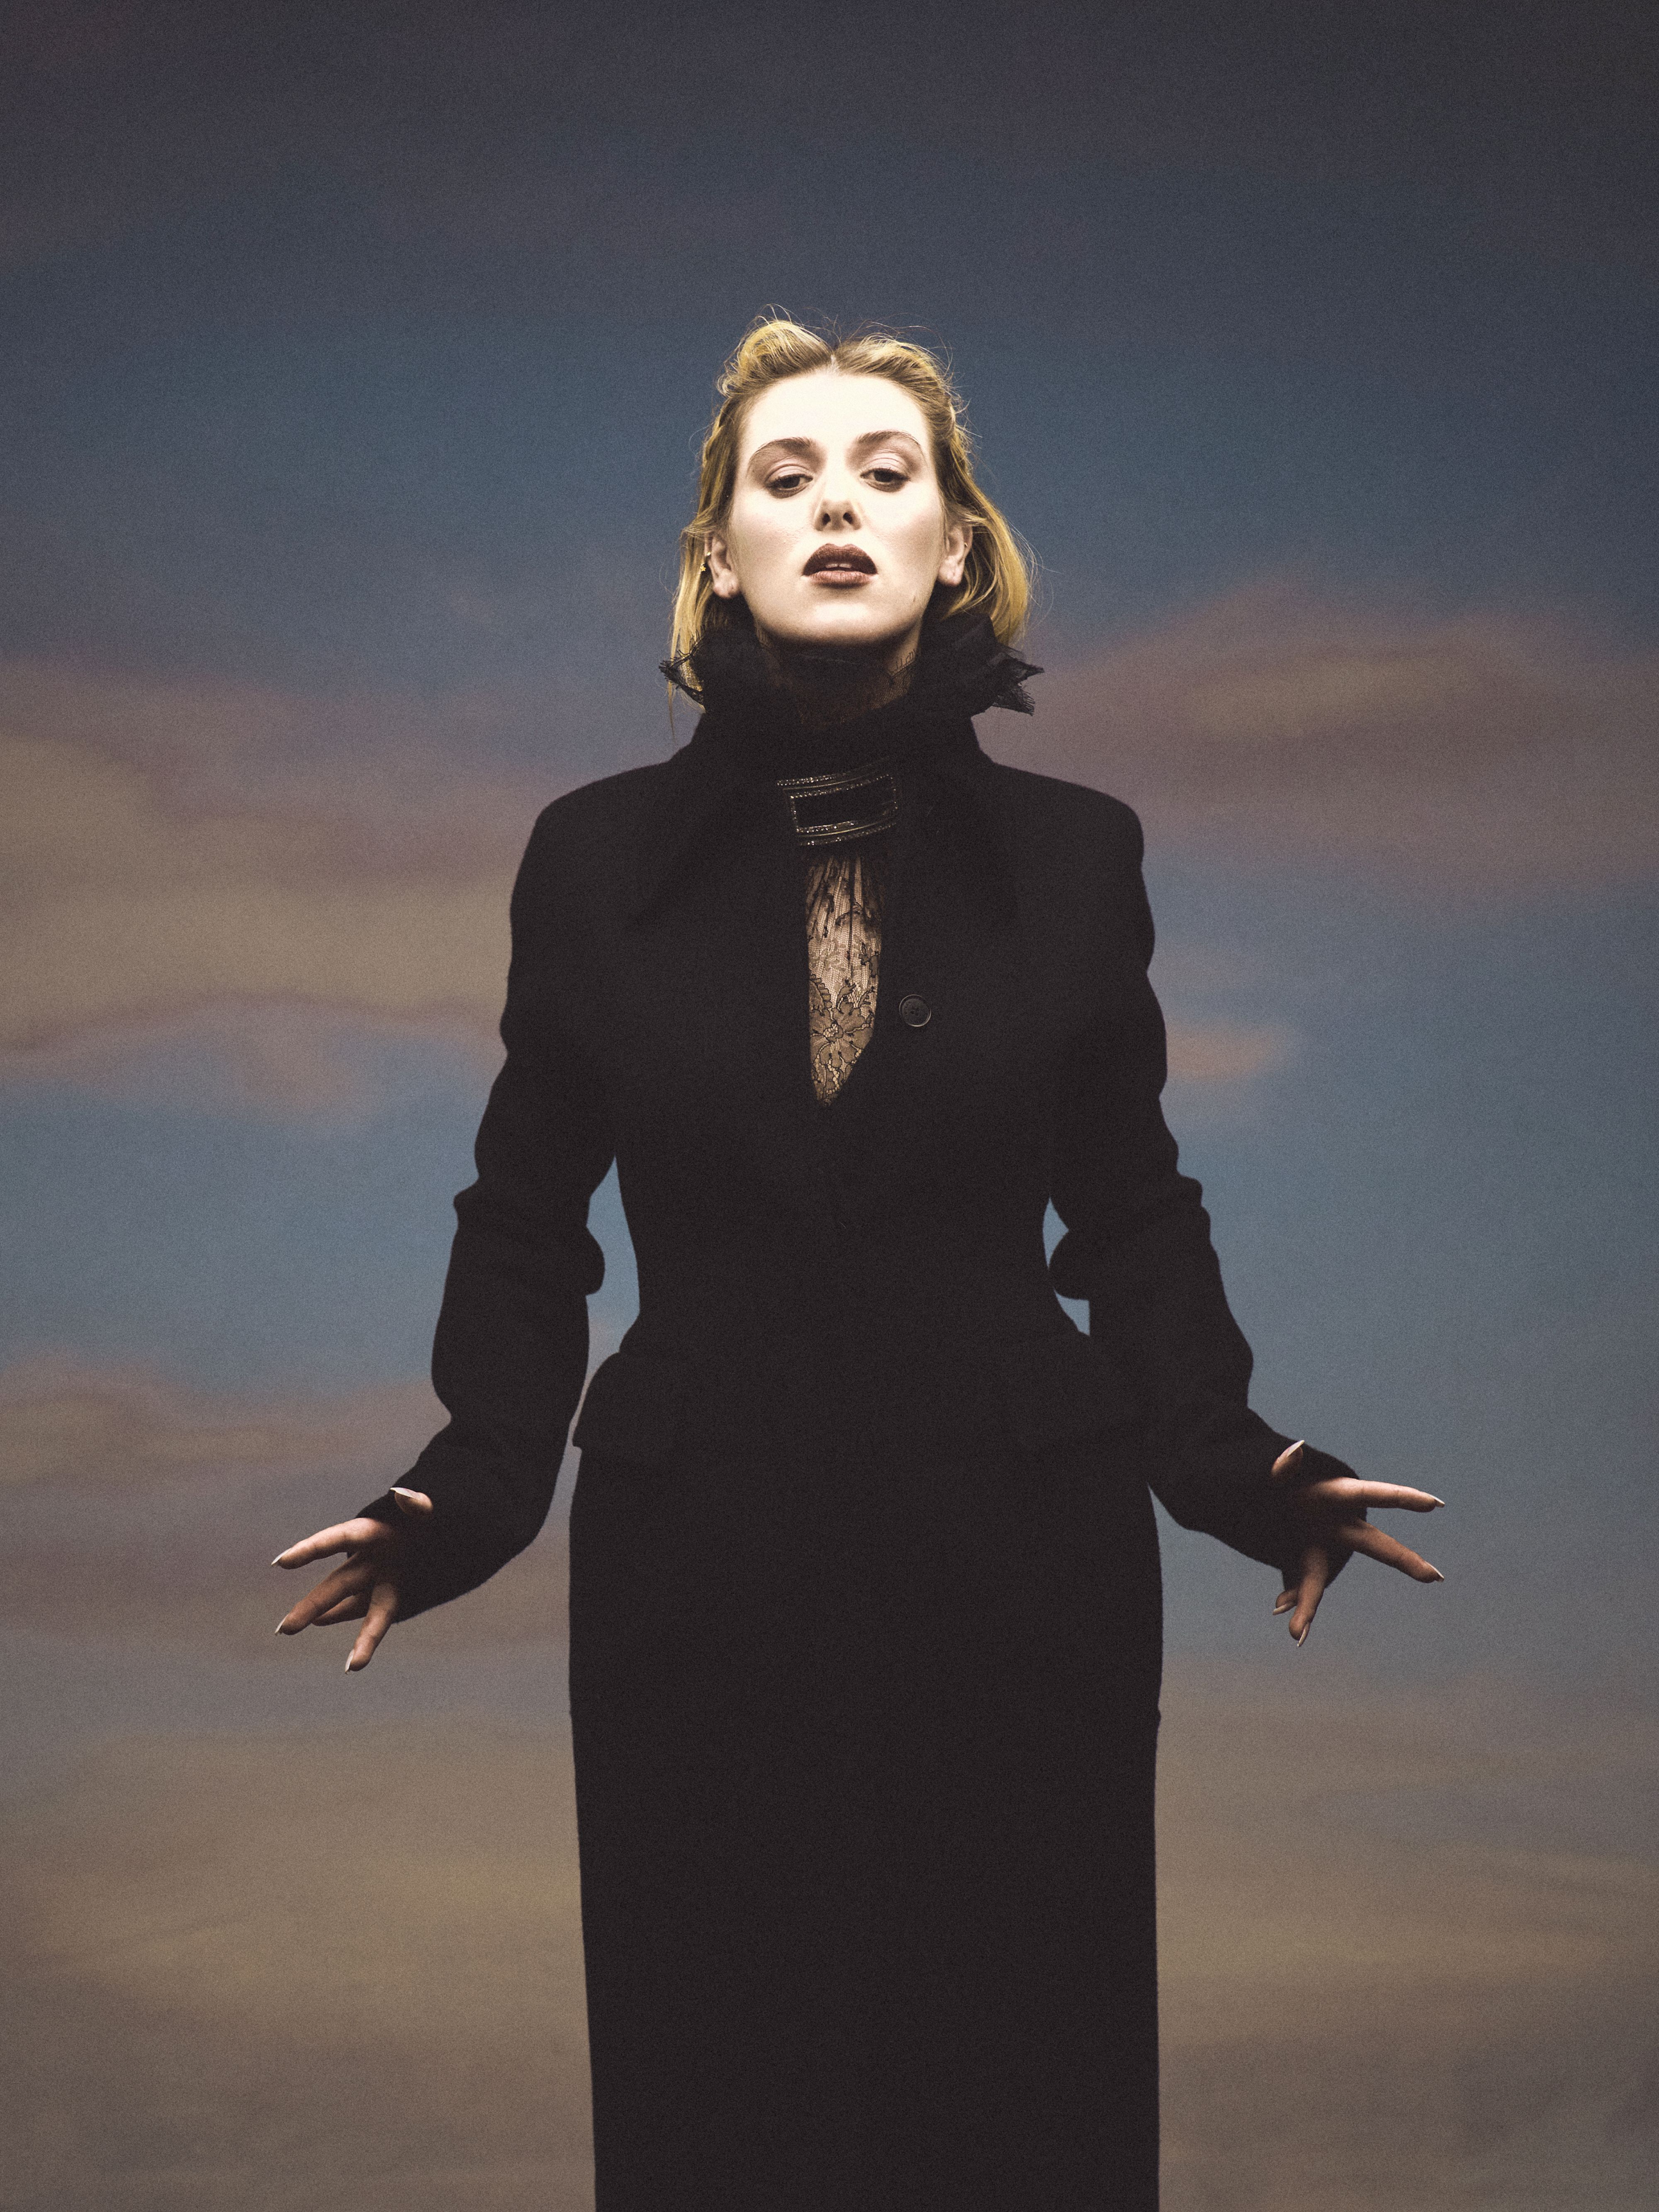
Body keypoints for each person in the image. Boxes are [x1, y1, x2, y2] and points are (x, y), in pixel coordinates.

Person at [273, 317, 1447, 2211]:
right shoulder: (589, 860)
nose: (836, 506)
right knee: (721, 2096)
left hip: (1023, 1554)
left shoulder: (1080, 856)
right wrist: (463, 1487)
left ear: (956, 545)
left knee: (1024, 2096)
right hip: (699, 1557)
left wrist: (1244, 1464)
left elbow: (1133, 1208)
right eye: (787, 475)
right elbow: (523, 1216)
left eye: (887, 474)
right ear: (718, 556)